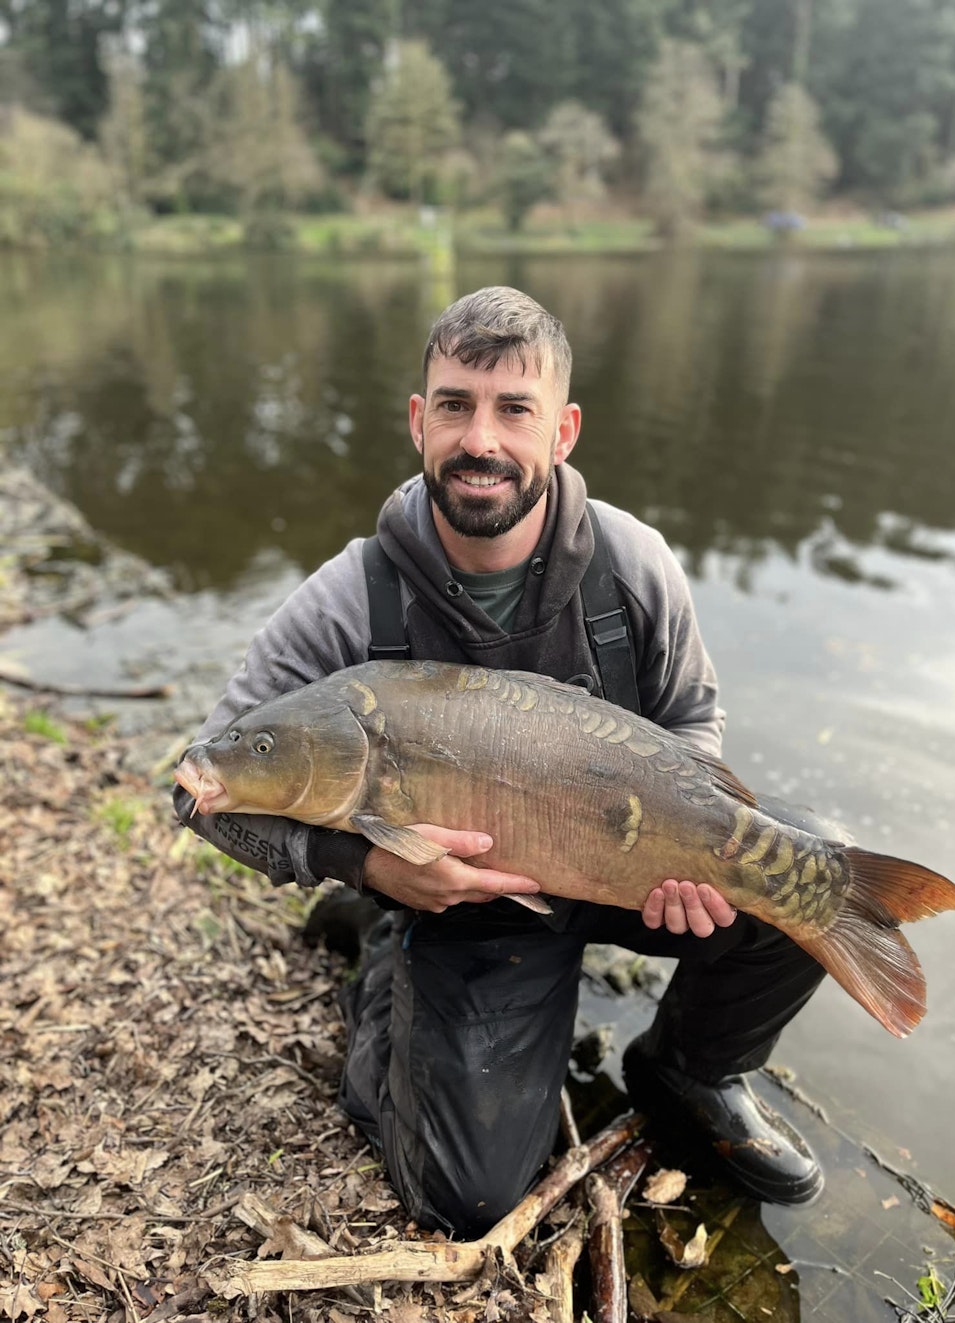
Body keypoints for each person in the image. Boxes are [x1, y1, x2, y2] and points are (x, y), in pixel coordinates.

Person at [174, 286, 827, 1238]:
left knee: (806, 872)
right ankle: (379, 950)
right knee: (465, 1198)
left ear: (561, 431)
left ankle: (691, 1067)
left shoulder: (634, 565)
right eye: (455, 405)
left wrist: (687, 856)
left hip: (623, 865)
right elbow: (199, 792)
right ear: (418, 422)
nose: (481, 438)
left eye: (513, 409)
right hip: (459, 899)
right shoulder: (346, 601)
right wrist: (368, 865)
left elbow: (689, 717)